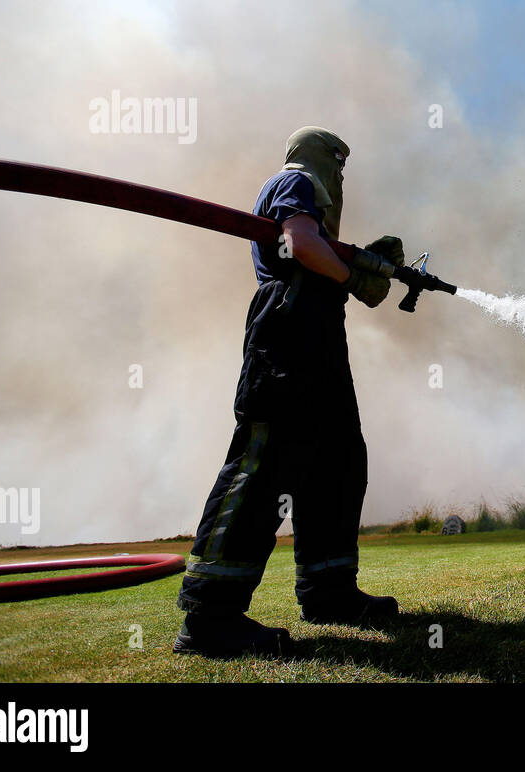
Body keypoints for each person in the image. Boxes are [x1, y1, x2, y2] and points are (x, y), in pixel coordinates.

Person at [173, 126, 403, 658]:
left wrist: (362, 263)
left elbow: (318, 250)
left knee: (338, 460)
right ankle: (210, 617)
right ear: (314, 155)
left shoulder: (311, 198)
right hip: (287, 329)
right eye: (336, 160)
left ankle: (330, 592)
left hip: (319, 336)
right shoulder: (294, 180)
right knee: (265, 460)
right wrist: (352, 274)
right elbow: (299, 243)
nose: (340, 172)